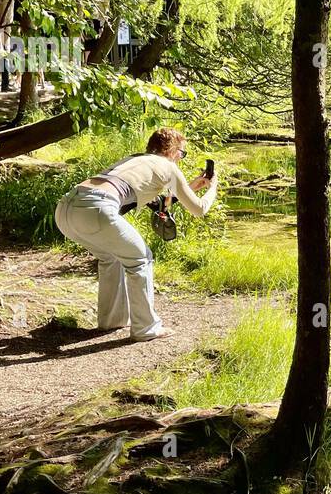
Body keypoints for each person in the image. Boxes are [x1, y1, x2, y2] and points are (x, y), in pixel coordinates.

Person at [54, 128, 217, 341]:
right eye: (182, 153)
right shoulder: (169, 166)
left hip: (65, 209)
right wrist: (212, 187)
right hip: (96, 208)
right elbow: (199, 209)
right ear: (172, 151)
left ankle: (112, 321)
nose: (181, 158)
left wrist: (192, 186)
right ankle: (146, 328)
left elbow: (161, 203)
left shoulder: (135, 160)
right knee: (141, 259)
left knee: (110, 257)